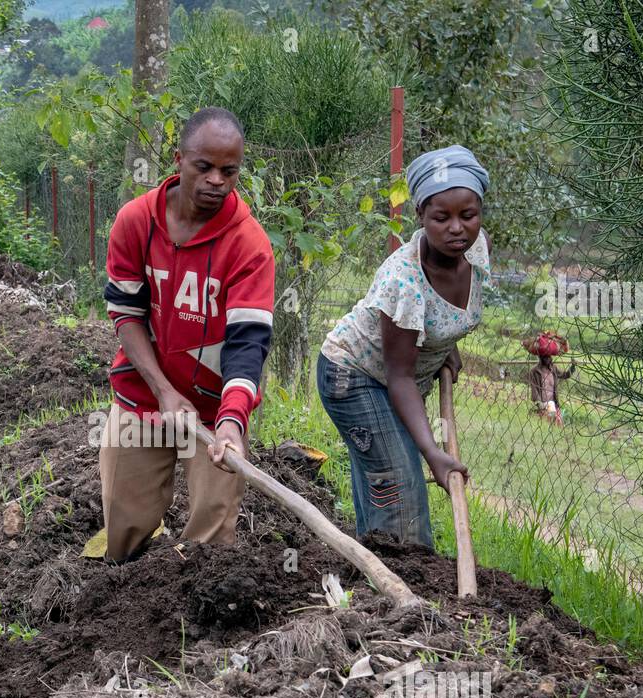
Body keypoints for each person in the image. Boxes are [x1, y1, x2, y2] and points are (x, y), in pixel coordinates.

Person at [99, 107, 275, 562]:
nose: (217, 179)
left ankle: (200, 631)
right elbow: (127, 314)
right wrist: (163, 391)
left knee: (211, 543)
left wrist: (233, 422)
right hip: (143, 395)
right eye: (205, 167)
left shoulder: (249, 244)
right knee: (123, 527)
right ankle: (120, 616)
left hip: (216, 408)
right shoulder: (135, 222)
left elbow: (247, 344)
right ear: (179, 159)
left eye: (229, 170)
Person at [317, 145, 491, 548]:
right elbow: (400, 377)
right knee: (401, 494)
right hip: (355, 377)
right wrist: (432, 452)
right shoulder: (404, 281)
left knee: (387, 490)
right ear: (420, 217)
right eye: (440, 217)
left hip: (395, 372)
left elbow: (436, 318)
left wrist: (442, 342)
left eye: (468, 215)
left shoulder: (477, 248)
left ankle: (373, 579)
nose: (457, 229)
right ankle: (400, 595)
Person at [526, 336, 576, 425]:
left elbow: (565, 375)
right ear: (541, 359)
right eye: (545, 357)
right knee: (553, 422)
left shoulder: (553, 369)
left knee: (556, 423)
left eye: (549, 357)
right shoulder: (535, 371)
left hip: (553, 402)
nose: (548, 359)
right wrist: (538, 403)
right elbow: (534, 389)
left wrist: (572, 367)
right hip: (543, 403)